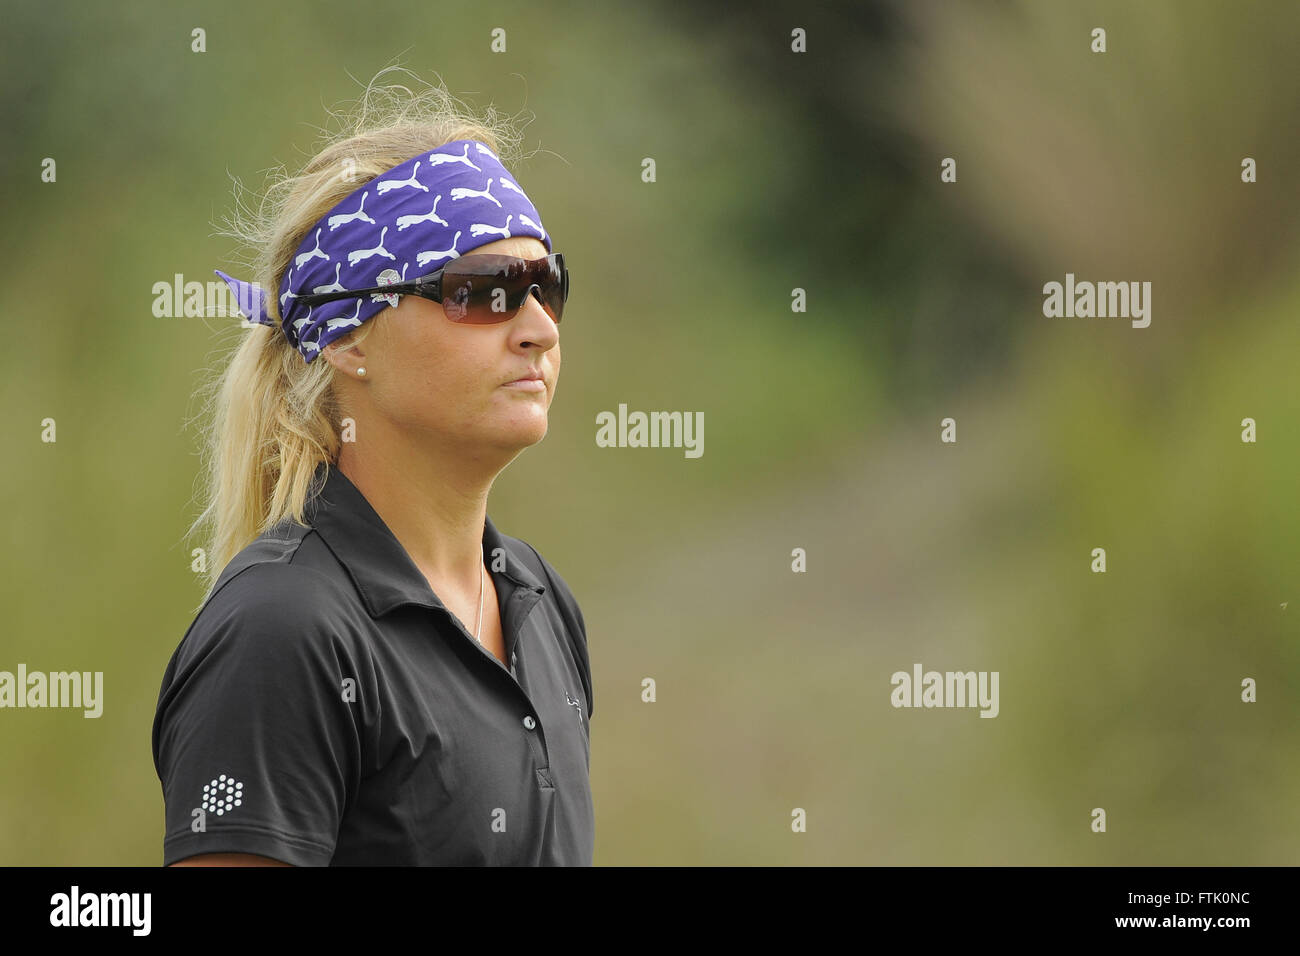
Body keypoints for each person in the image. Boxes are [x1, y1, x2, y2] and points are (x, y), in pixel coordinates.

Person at [151, 82, 593, 866]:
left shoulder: (538, 600)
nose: (538, 328)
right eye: (484, 292)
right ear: (349, 339)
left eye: (545, 286)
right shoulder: (280, 632)